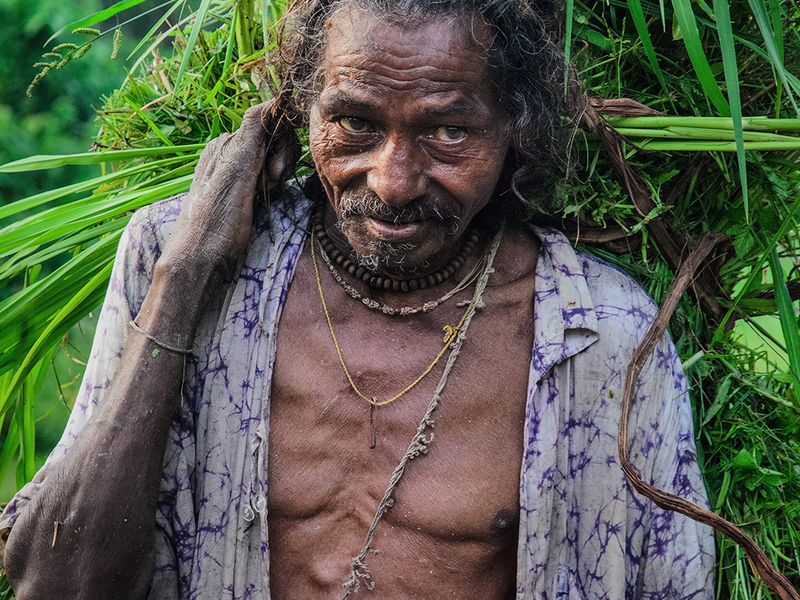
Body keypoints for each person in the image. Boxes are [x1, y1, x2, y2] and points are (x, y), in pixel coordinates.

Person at [0, 0, 716, 598]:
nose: (393, 180)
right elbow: (53, 582)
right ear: (294, 116)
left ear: (515, 131)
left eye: (448, 130)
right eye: (355, 124)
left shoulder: (600, 338)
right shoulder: (176, 257)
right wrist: (185, 281)